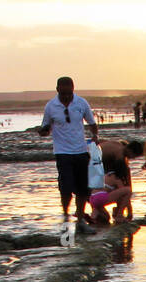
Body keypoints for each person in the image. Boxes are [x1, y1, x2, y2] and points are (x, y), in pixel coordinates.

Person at [35, 76, 99, 232]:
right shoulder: (51, 106)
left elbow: (92, 123)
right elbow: (46, 127)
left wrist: (95, 137)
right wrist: (43, 131)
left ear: (73, 90)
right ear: (57, 90)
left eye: (69, 93)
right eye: (63, 94)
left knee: (83, 188)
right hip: (62, 152)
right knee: (66, 187)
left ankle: (81, 220)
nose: (66, 97)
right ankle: (65, 216)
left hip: (81, 150)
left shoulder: (81, 103)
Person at [89, 137, 140, 223]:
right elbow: (125, 190)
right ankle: (119, 215)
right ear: (130, 151)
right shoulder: (120, 154)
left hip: (92, 197)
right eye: (133, 156)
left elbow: (100, 141)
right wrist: (129, 211)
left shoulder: (115, 144)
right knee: (126, 190)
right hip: (91, 162)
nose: (132, 159)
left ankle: (95, 214)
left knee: (105, 218)